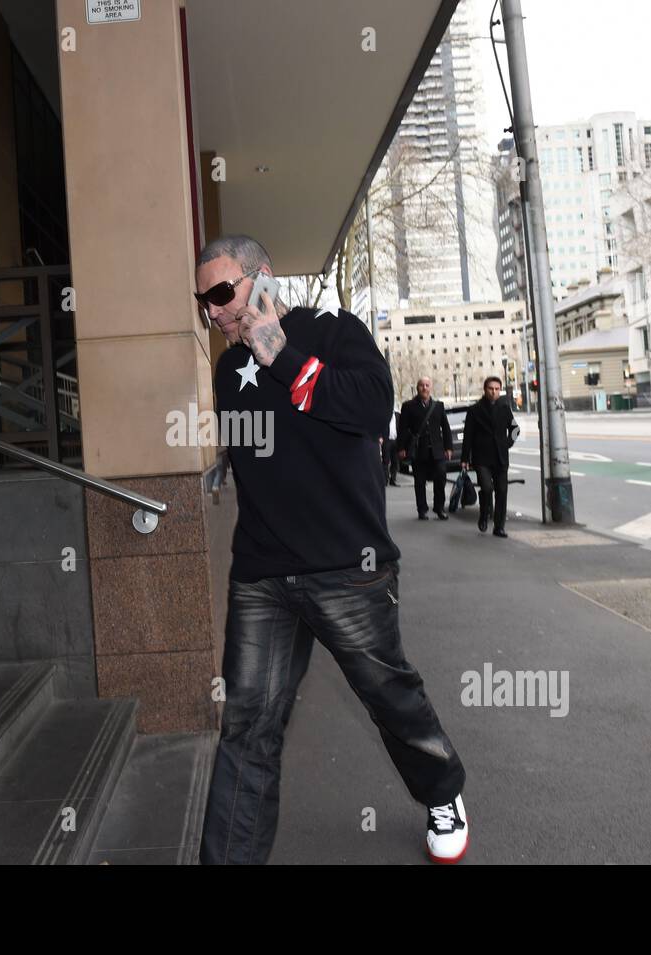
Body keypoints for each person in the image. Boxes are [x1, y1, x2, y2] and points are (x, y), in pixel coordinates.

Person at [195, 234, 468, 865]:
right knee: (247, 727)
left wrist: (282, 356)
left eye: (220, 293)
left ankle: (443, 792)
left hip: (350, 567)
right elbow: (256, 456)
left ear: (262, 280)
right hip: (263, 575)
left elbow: (372, 413)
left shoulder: (334, 331)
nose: (212, 312)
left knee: (389, 698)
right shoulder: (226, 372)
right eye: (202, 301)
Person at [460, 376, 515, 538]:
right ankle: (484, 514)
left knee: (502, 491)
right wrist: (464, 459)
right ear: (485, 390)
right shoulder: (475, 410)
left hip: (500, 457)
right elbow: (468, 436)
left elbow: (515, 429)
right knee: (487, 488)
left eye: (497, 389)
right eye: (491, 389)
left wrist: (507, 443)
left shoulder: (504, 408)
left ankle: (499, 526)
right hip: (482, 458)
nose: (494, 392)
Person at [397, 378, 453, 521]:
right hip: (418, 450)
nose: (424, 388)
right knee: (420, 481)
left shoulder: (438, 406)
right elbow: (402, 429)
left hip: (437, 450)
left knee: (441, 476)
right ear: (417, 388)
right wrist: (402, 447)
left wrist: (448, 447)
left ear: (431, 388)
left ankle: (439, 507)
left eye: (427, 385)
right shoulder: (408, 406)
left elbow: (445, 428)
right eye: (421, 385)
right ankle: (422, 509)